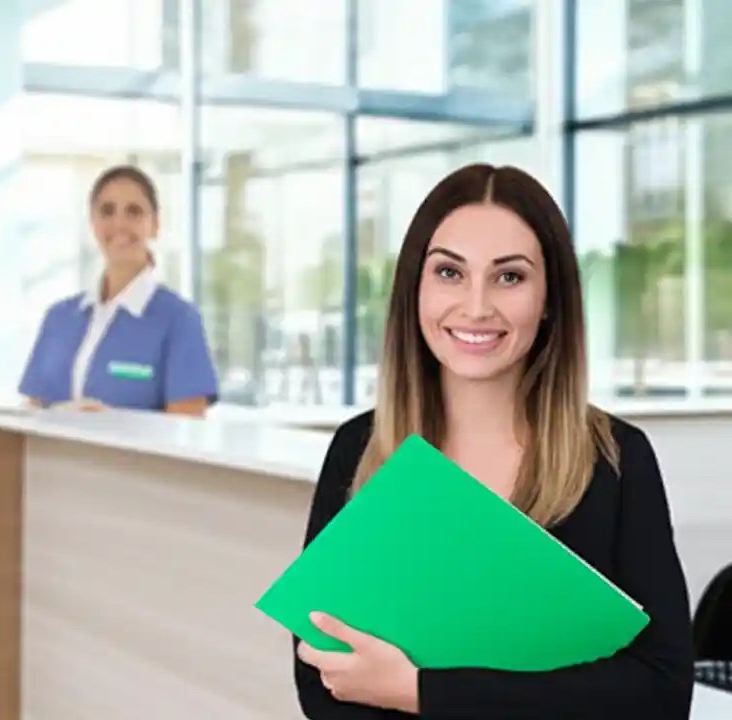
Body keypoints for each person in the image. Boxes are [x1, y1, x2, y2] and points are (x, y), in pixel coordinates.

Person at [292, 164, 695, 718]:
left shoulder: (616, 459)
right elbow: (321, 678)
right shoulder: (359, 447)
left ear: (550, 297)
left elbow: (661, 690)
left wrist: (421, 693)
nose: (477, 306)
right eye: (450, 273)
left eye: (509, 277)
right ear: (416, 288)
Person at [19, 165, 219, 416]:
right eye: (107, 211)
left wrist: (113, 424)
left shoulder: (179, 320)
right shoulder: (58, 318)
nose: (119, 223)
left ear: (155, 225)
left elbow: (187, 431)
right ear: (93, 223)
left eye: (134, 212)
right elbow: (31, 412)